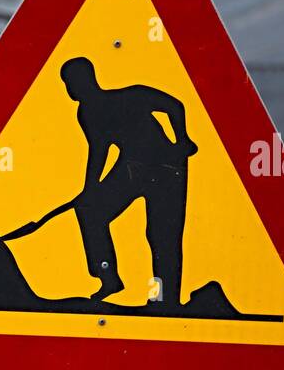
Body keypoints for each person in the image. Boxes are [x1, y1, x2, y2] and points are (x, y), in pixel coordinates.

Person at [59, 57, 197, 306]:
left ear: (86, 80)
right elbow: (99, 150)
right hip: (133, 168)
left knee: (161, 235)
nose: (69, 88)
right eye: (67, 83)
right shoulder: (87, 112)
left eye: (71, 82)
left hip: (166, 168)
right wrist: (90, 190)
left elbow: (174, 106)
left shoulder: (129, 96)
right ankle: (108, 276)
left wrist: (182, 141)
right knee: (90, 211)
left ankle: (166, 299)